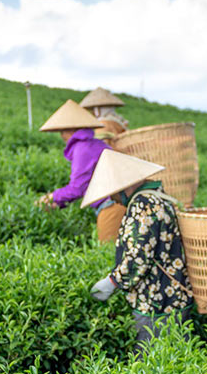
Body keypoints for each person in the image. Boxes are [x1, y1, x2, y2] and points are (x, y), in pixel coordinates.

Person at [82, 149, 193, 351]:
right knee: (177, 359)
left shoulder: (141, 206)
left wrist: (113, 281)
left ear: (123, 186)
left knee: (150, 363)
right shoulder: (159, 197)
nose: (113, 198)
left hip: (155, 301)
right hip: (175, 296)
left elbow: (139, 257)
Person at [37, 99, 125, 242]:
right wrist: (59, 203)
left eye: (62, 131)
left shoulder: (83, 148)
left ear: (72, 129)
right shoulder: (92, 144)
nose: (62, 136)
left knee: (109, 251)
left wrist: (50, 198)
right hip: (118, 201)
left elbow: (77, 188)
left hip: (113, 205)